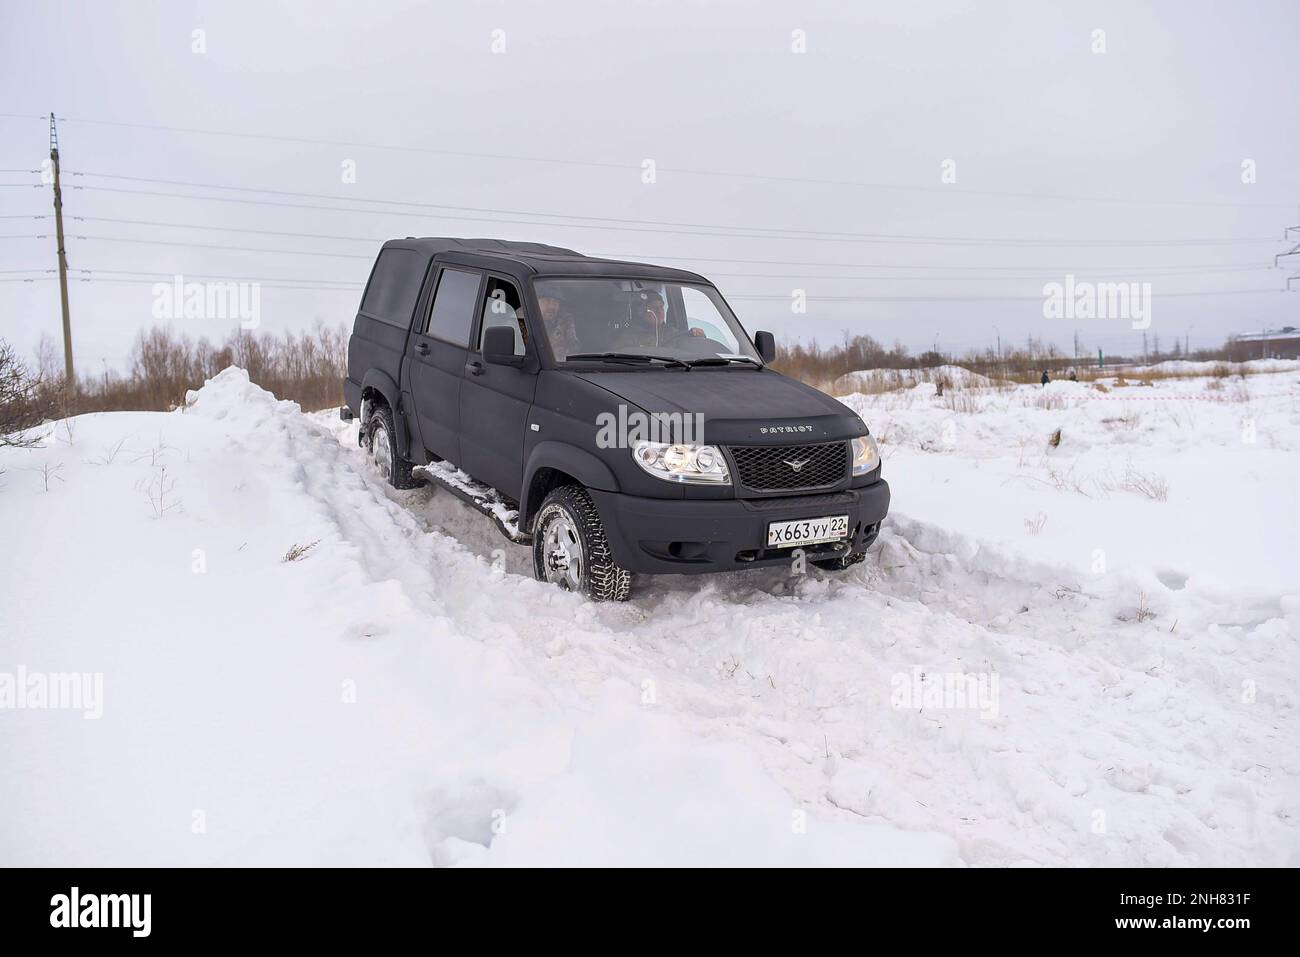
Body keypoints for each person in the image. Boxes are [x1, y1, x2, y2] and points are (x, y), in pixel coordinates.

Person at [538, 293, 581, 359]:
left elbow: (575, 348)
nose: (551, 306)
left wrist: (562, 347)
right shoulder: (521, 319)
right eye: (547, 300)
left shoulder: (565, 320)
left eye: (555, 302)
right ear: (536, 301)